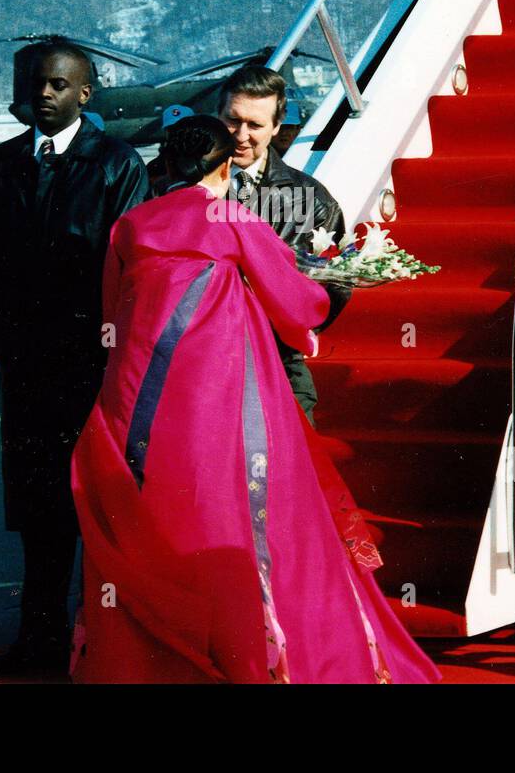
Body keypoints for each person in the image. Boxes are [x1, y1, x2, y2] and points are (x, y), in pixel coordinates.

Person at [70, 116, 439, 683]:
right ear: (225, 167)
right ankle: (251, 646)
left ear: (167, 166)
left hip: (134, 390)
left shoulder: (130, 226)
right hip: (214, 392)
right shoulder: (231, 217)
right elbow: (298, 304)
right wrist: (335, 282)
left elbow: (110, 313)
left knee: (156, 503)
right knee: (236, 506)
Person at [0, 39, 150, 675]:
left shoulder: (116, 164)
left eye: (58, 85)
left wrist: (109, 346)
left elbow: (129, 264)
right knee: (38, 510)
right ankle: (38, 644)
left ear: (84, 93)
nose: (44, 94)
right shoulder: (3, 164)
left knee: (97, 508)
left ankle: (102, 642)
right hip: (24, 367)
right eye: (36, 83)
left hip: (91, 367)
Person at [218, 65, 349, 422]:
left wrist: (286, 326)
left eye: (255, 125)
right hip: (201, 368)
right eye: (232, 120)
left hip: (278, 365)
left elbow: (336, 284)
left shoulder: (312, 200)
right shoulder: (181, 189)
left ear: (276, 127)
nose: (241, 135)